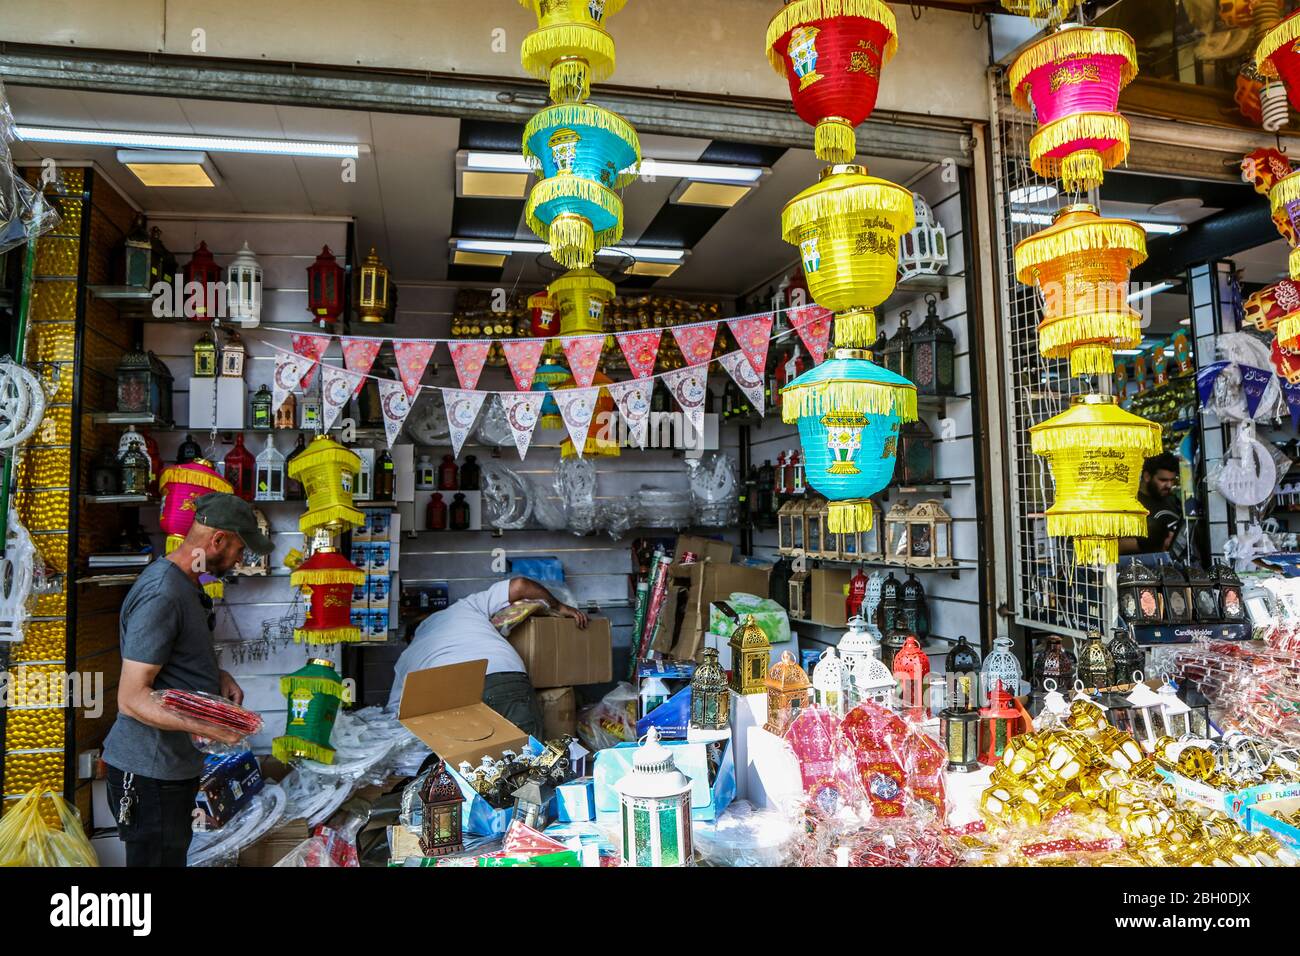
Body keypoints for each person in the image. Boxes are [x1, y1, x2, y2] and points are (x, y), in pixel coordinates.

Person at [102, 493, 273, 867]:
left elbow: (170, 658)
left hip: (171, 768)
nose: (241, 559)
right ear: (218, 541)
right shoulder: (163, 593)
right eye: (240, 548)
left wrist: (217, 675)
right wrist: (210, 727)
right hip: (148, 771)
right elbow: (131, 698)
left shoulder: (187, 585)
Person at [388, 577, 588, 738]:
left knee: (473, 771)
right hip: (505, 675)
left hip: (452, 693)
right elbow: (520, 585)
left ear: (411, 637)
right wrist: (559, 606)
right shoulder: (464, 608)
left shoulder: (408, 656)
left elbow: (396, 712)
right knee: (529, 766)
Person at [1119, 452, 1182, 555]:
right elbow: (1115, 546)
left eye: (1172, 480)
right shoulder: (1130, 504)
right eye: (1163, 480)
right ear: (1147, 476)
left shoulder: (1172, 500)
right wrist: (1155, 542)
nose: (1169, 485)